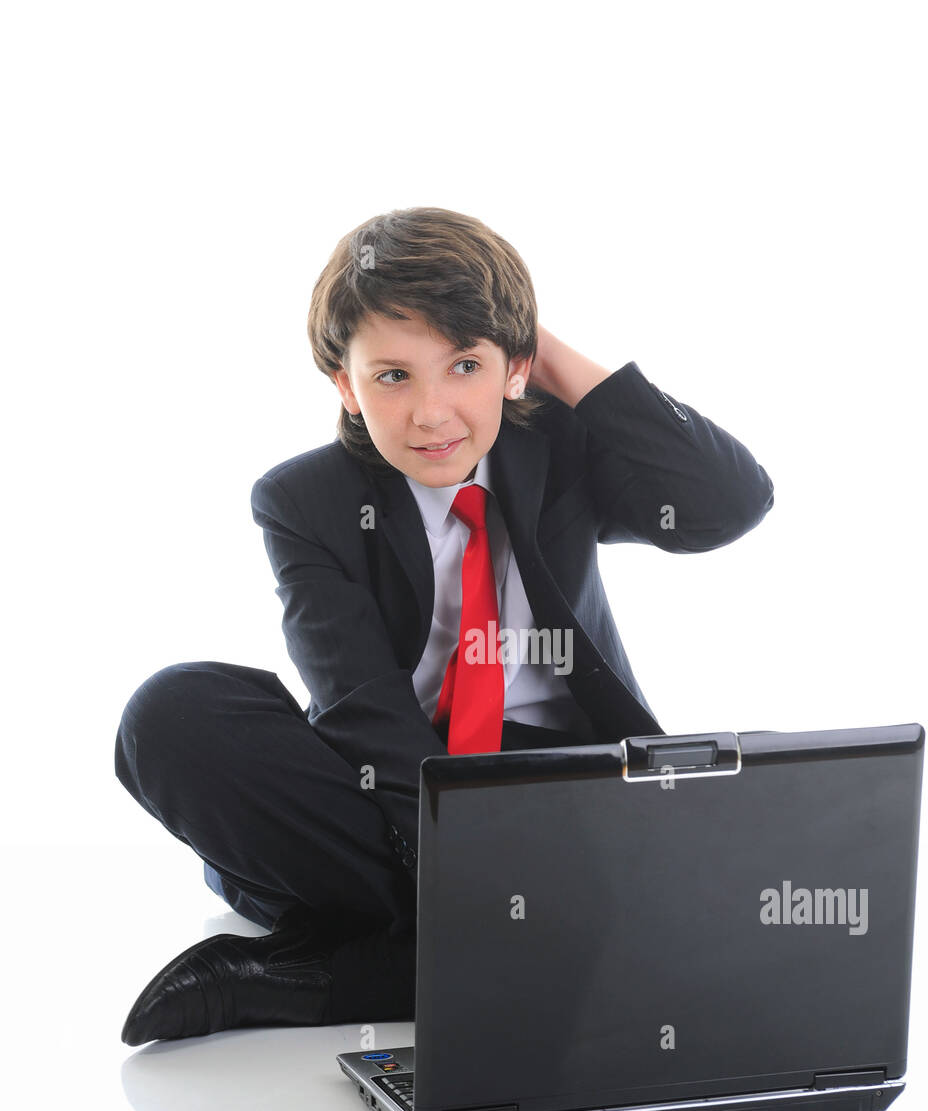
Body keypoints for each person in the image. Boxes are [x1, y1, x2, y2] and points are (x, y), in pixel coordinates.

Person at [115, 206, 775, 1045]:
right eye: (392, 376)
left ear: (514, 369)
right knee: (172, 713)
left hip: (559, 783)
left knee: (712, 841)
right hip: (391, 786)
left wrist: (542, 350)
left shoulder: (559, 452)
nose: (432, 413)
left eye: (463, 364)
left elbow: (728, 505)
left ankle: (330, 975)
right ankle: (545, 935)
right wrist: (470, 866)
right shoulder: (303, 501)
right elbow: (359, 702)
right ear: (345, 387)